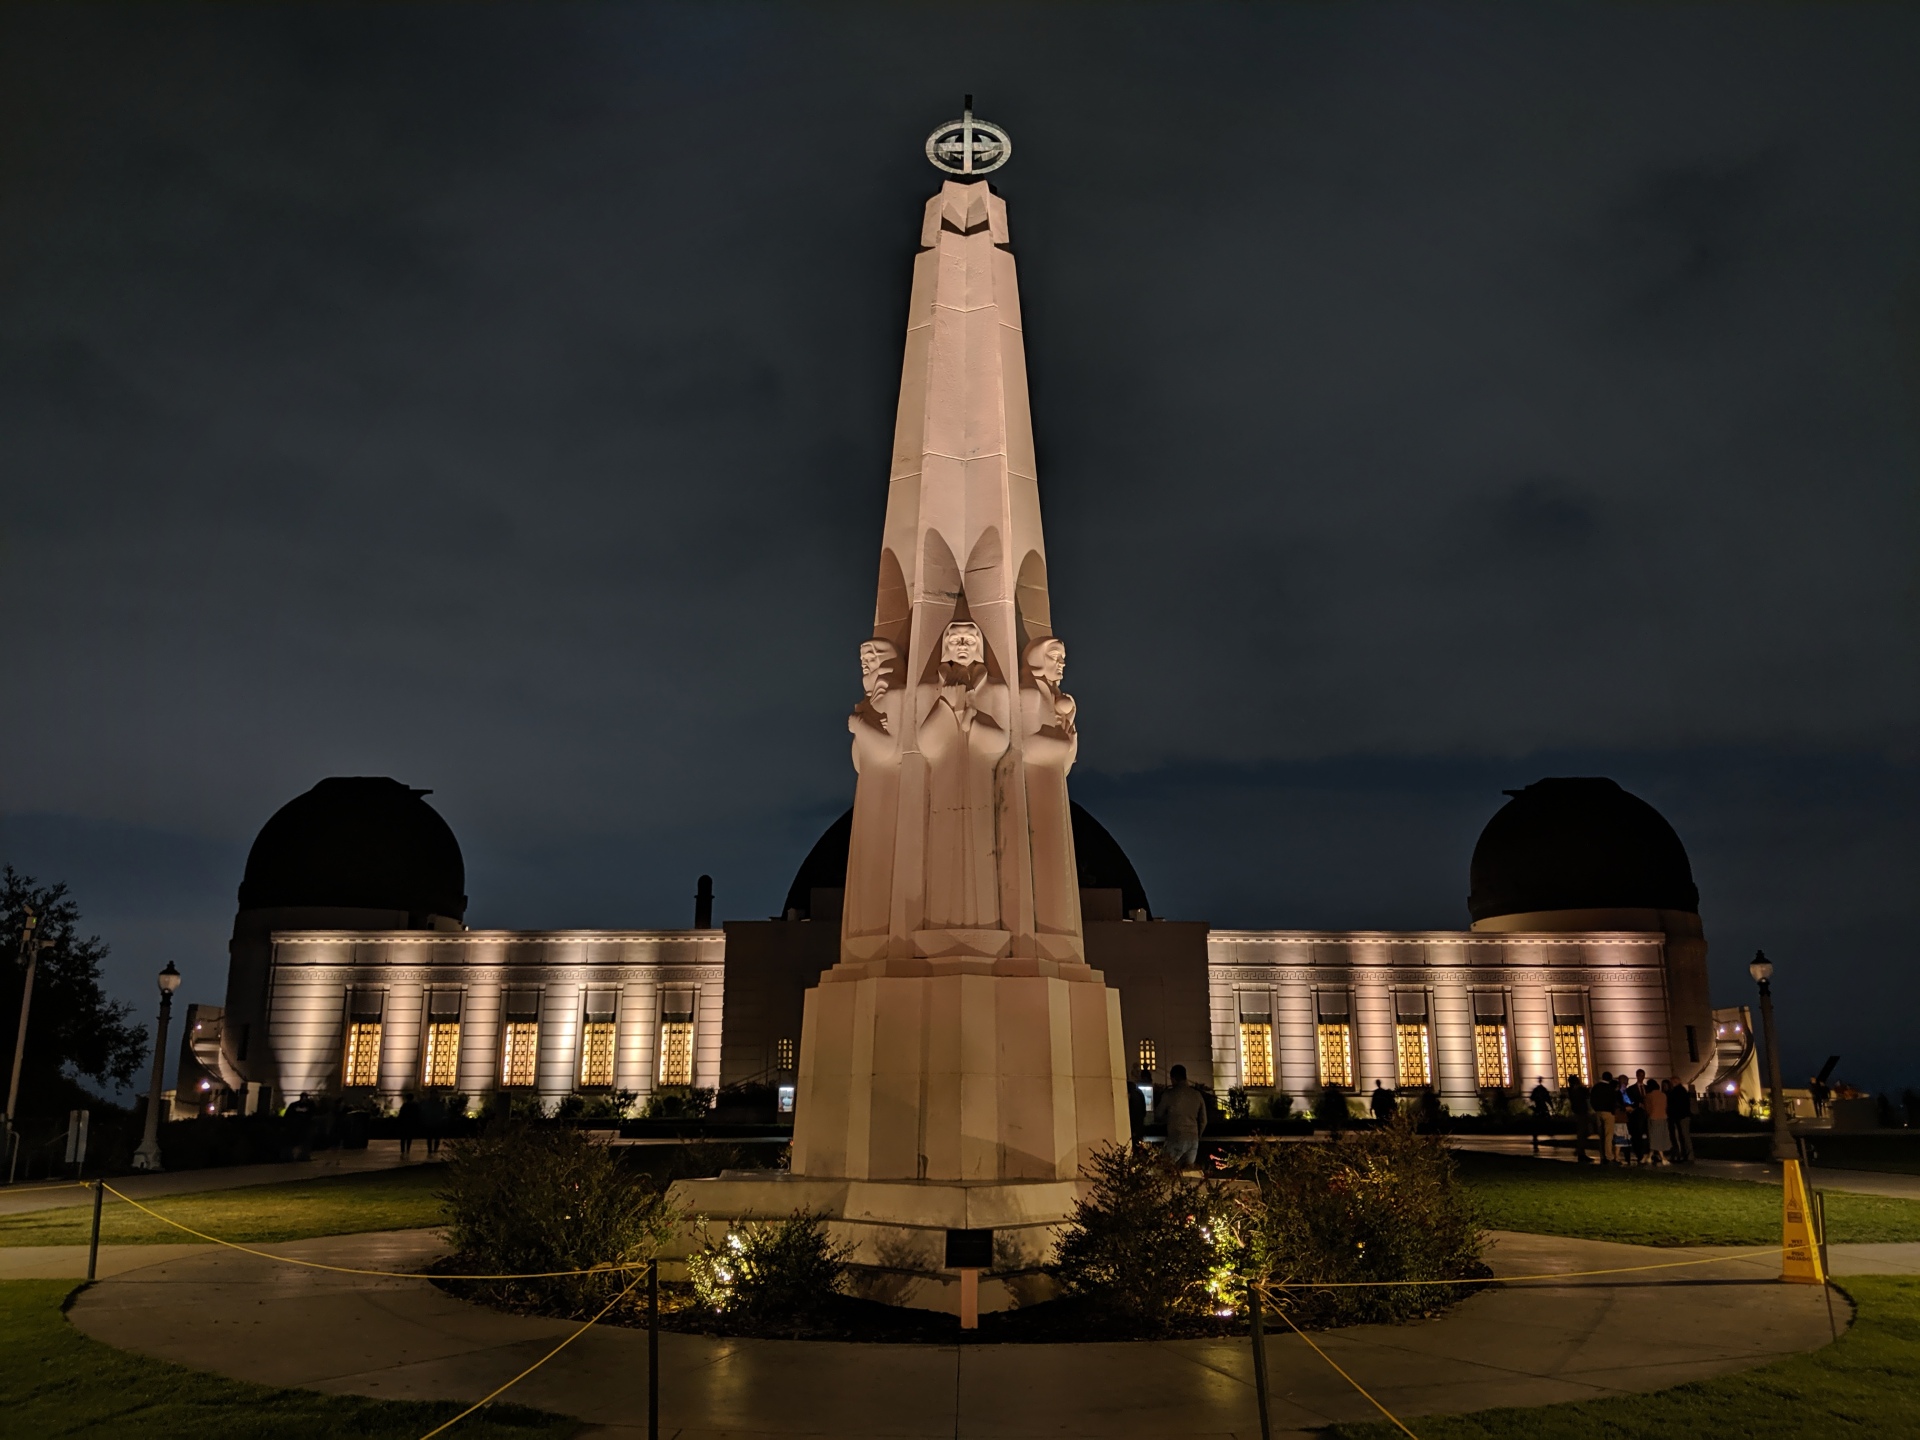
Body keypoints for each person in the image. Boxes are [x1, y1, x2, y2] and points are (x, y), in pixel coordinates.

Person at [1155, 1063, 1208, 1168]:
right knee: (1188, 1172)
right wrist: (1198, 1135)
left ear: (1173, 1078)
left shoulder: (1169, 1094)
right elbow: (1204, 1120)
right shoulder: (1197, 1095)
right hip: (1193, 1139)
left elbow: (1158, 1114)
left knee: (1166, 1168)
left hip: (1176, 1137)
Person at [1590, 1073, 1617, 1164]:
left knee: (1601, 1135)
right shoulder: (1610, 1088)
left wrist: (1596, 1109)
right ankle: (1609, 1156)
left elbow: (1592, 1100)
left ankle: (1602, 1155)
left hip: (1598, 1112)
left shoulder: (1596, 1087)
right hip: (1608, 1112)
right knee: (1608, 1135)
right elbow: (1613, 1101)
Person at [1567, 1074, 1594, 1163]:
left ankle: (1580, 1151)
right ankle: (1580, 1152)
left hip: (1578, 1113)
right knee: (1584, 1133)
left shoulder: (1572, 1091)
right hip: (1582, 1113)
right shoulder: (1579, 1091)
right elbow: (1587, 1098)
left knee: (1582, 1133)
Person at [1666, 1078, 1693, 1163]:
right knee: (1684, 1136)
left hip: (1681, 1116)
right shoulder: (1682, 1091)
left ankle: (1689, 1155)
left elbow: (1675, 1105)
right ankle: (1687, 1155)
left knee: (1685, 1136)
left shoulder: (1677, 1091)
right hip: (1684, 1116)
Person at [1643, 1077, 1670, 1164]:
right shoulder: (1663, 1095)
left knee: (1654, 1138)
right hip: (1663, 1117)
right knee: (1660, 1138)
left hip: (1653, 1118)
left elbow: (1647, 1109)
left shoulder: (1648, 1096)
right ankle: (1651, 1156)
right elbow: (1665, 1106)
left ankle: (1661, 1158)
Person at [1529, 1077, 1553, 1151]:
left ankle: (1536, 1136)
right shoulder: (1543, 1089)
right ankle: (1549, 1132)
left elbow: (1532, 1098)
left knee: (1536, 1123)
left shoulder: (1537, 1089)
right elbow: (1548, 1099)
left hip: (1538, 1108)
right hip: (1542, 1108)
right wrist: (1552, 1107)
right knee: (1545, 1121)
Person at [396, 1091, 422, 1161]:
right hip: (411, 1123)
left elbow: (401, 1114)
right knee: (409, 1137)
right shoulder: (415, 1105)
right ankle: (408, 1149)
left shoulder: (405, 1105)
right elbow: (418, 1114)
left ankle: (402, 1150)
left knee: (403, 1138)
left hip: (405, 1123)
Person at [1127, 1069, 1149, 1143]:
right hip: (1139, 1124)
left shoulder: (1128, 1093)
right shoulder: (1139, 1092)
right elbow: (1144, 1110)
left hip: (1131, 1125)